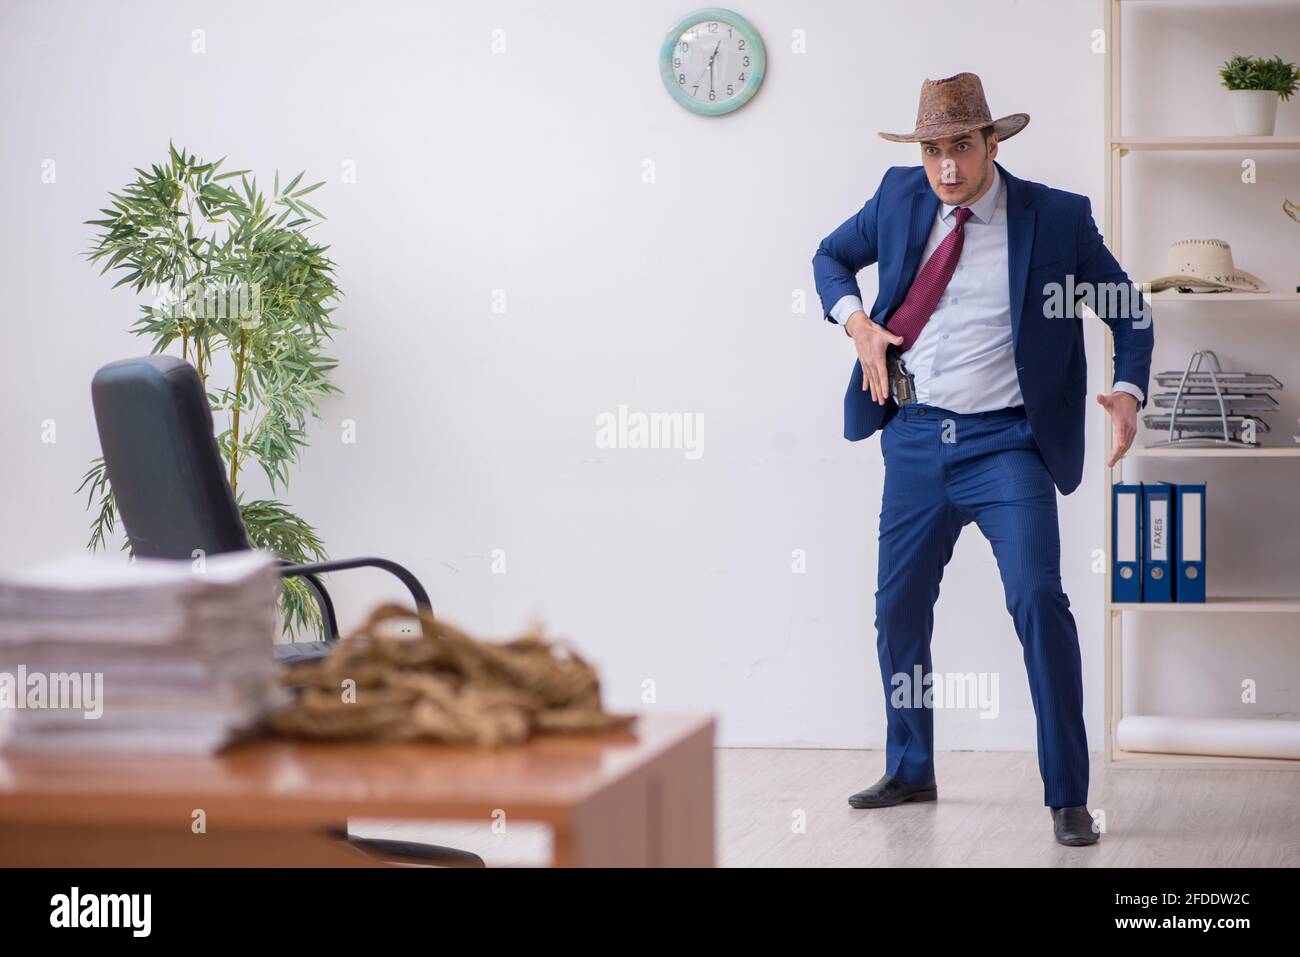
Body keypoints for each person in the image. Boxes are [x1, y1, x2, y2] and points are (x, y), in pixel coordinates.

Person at [810, 72, 1154, 847]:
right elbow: (829, 258)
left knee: (1038, 600)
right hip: (915, 437)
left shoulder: (1056, 218)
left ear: (992, 143)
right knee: (897, 610)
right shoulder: (897, 198)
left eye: (961, 147)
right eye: (933, 150)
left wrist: (1129, 390)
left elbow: (1127, 310)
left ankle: (1068, 794)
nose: (946, 167)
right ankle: (911, 765)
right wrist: (857, 323)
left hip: (1008, 447)